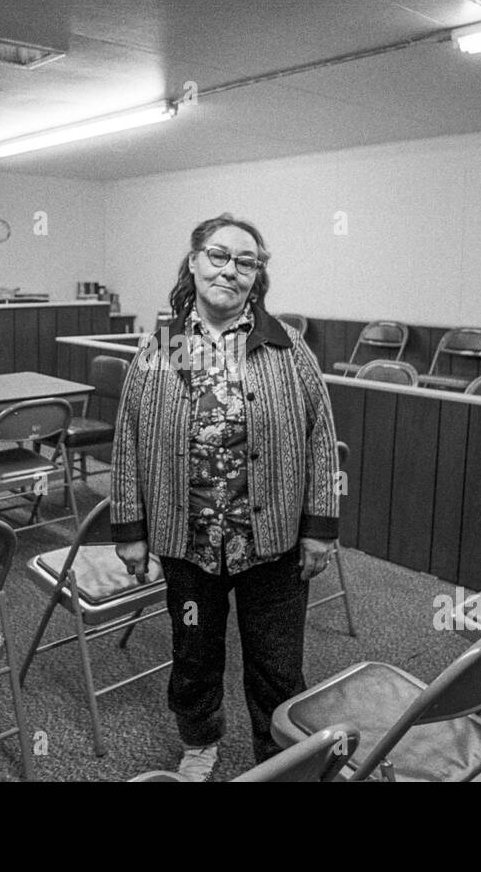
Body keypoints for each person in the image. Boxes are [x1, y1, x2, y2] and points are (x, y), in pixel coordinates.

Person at [110, 213, 341, 780]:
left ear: (256, 276)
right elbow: (128, 442)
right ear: (193, 262)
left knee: (278, 667)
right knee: (194, 655)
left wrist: (320, 528)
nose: (230, 270)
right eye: (218, 256)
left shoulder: (286, 347)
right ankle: (199, 740)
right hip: (188, 545)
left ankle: (281, 758)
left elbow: (320, 441)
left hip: (274, 544)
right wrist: (130, 531)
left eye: (246, 262)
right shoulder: (163, 347)